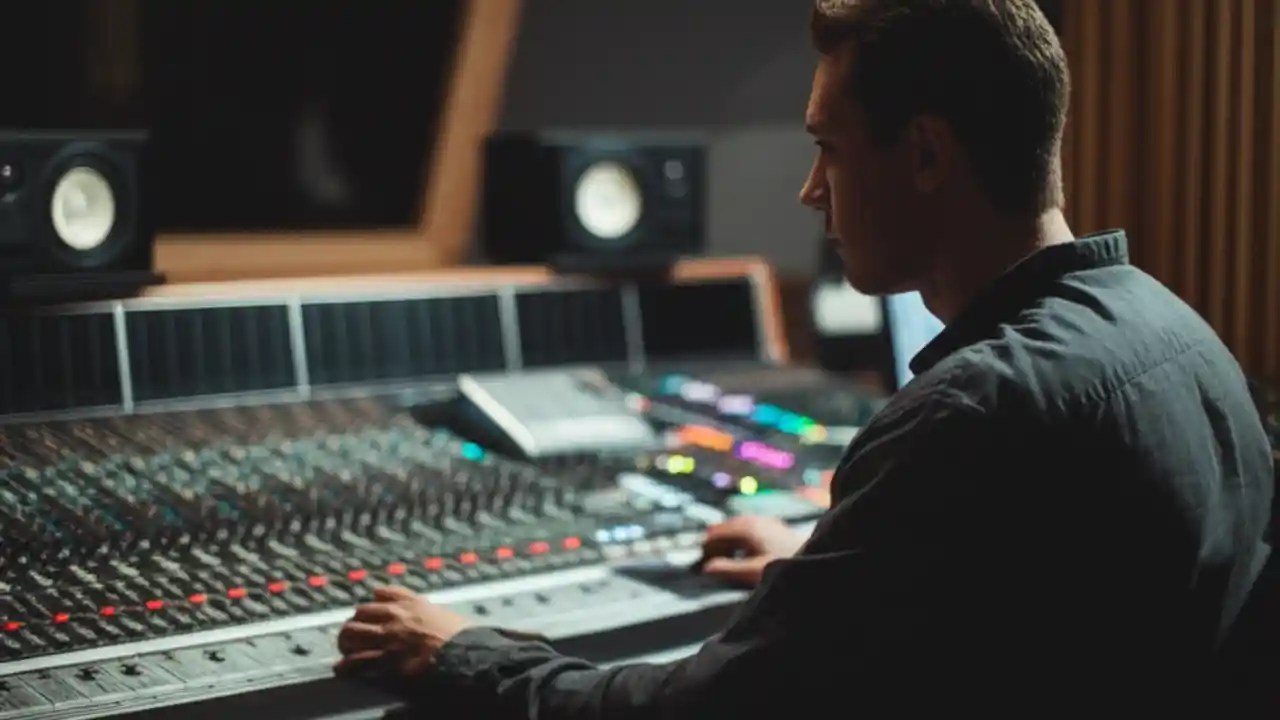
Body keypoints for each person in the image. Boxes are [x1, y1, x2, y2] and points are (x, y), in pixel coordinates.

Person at [335, 0, 1275, 715]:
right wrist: (839, 570)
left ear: (925, 155)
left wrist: (466, 657)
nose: (808, 190)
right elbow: (1047, 600)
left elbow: (709, 711)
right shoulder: (1178, 332)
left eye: (828, 147)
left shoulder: (971, 413)